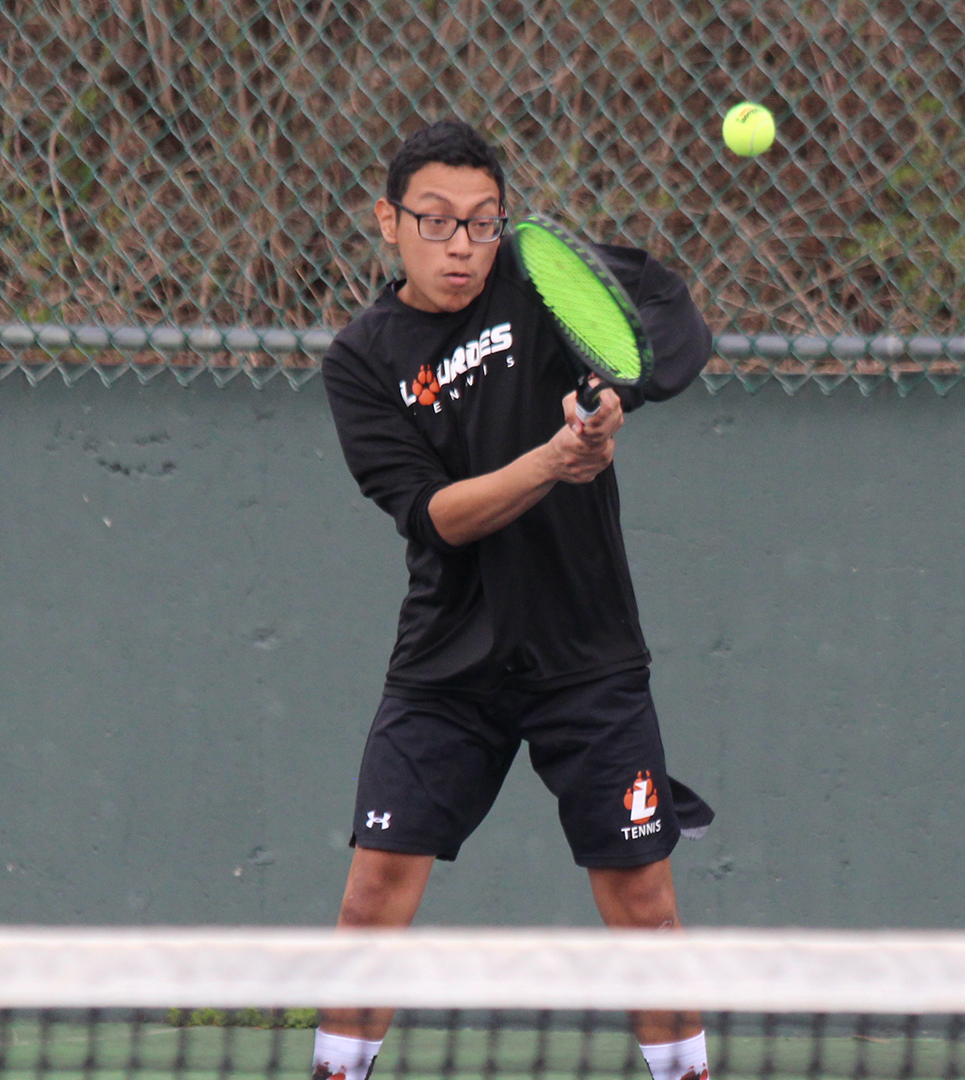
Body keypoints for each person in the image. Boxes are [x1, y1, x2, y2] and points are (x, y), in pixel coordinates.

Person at [314, 119, 715, 1080]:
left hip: (588, 656)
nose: (462, 245)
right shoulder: (363, 360)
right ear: (389, 221)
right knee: (373, 895)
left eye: (483, 223)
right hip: (447, 668)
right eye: (439, 223)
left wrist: (616, 401)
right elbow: (438, 516)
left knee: (644, 907)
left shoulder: (537, 273)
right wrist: (552, 459)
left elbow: (664, 322)